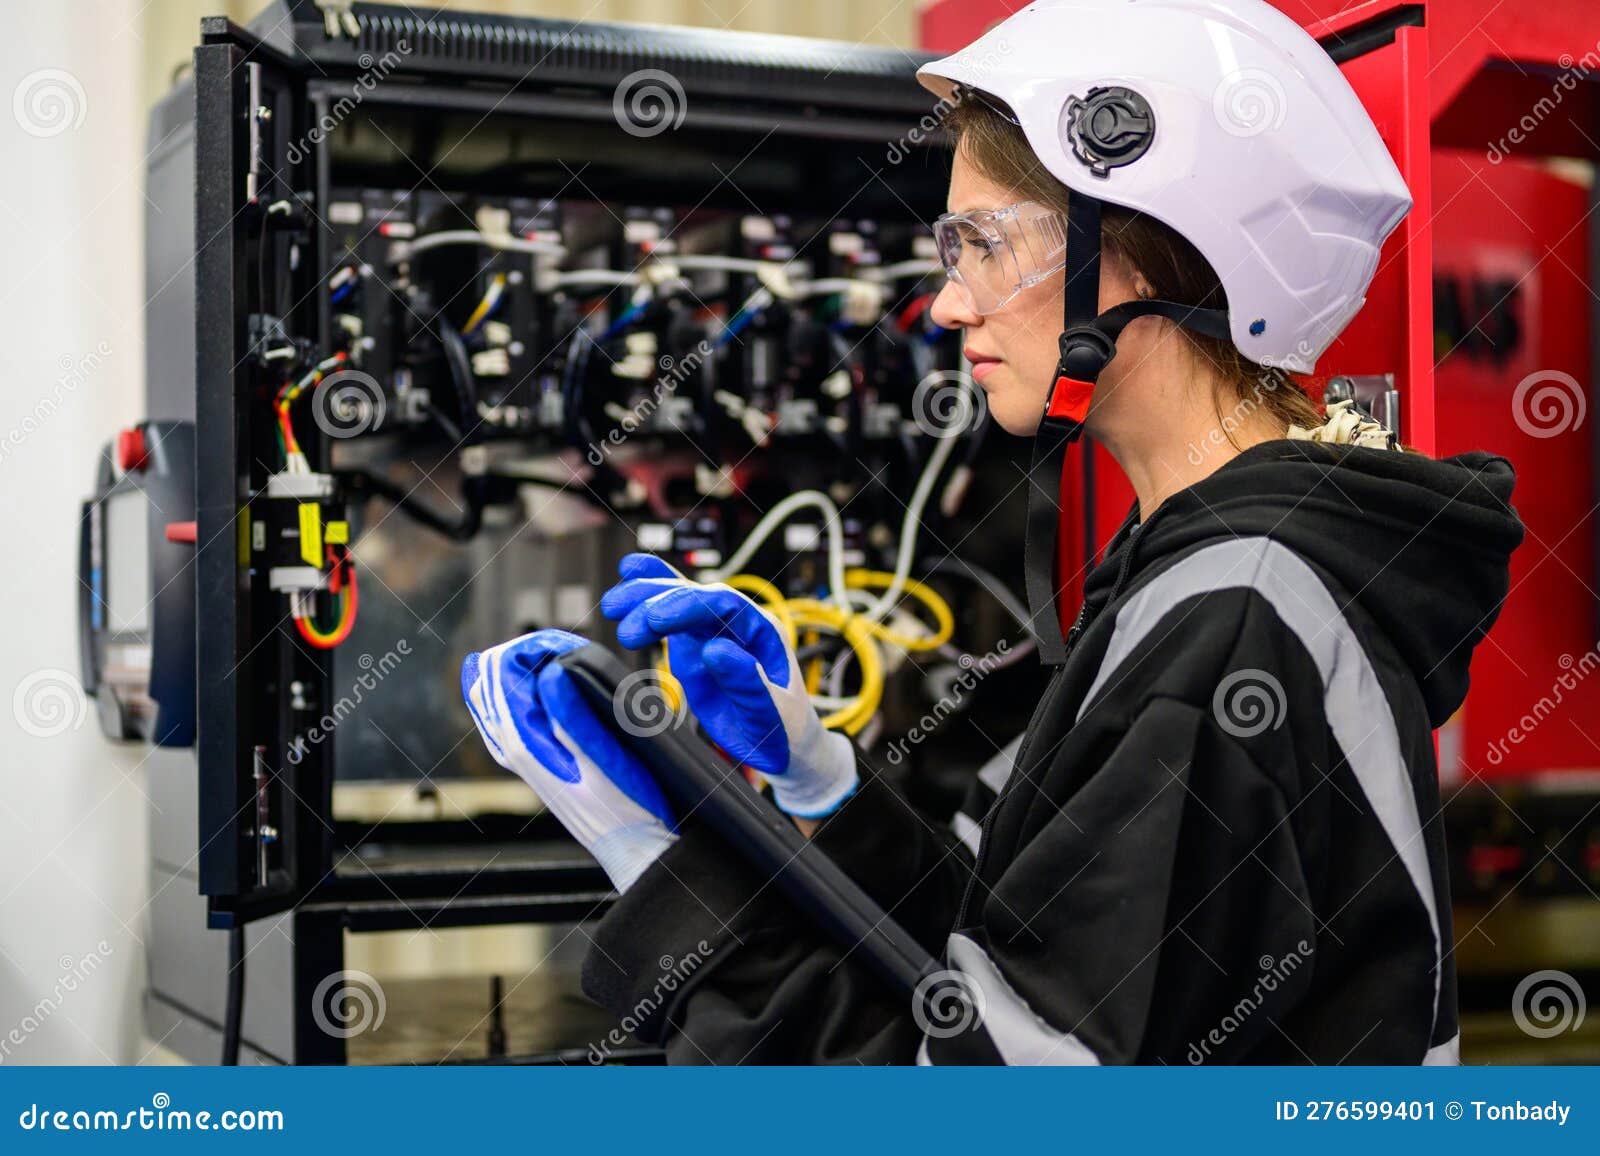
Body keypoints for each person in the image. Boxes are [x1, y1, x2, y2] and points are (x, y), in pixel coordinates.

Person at [461, 0, 1523, 1063]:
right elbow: (1026, 964)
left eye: (982, 244)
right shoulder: (1208, 569)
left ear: (1145, 258)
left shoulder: (1233, 613)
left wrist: (658, 878)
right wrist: (822, 786)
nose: (945, 305)